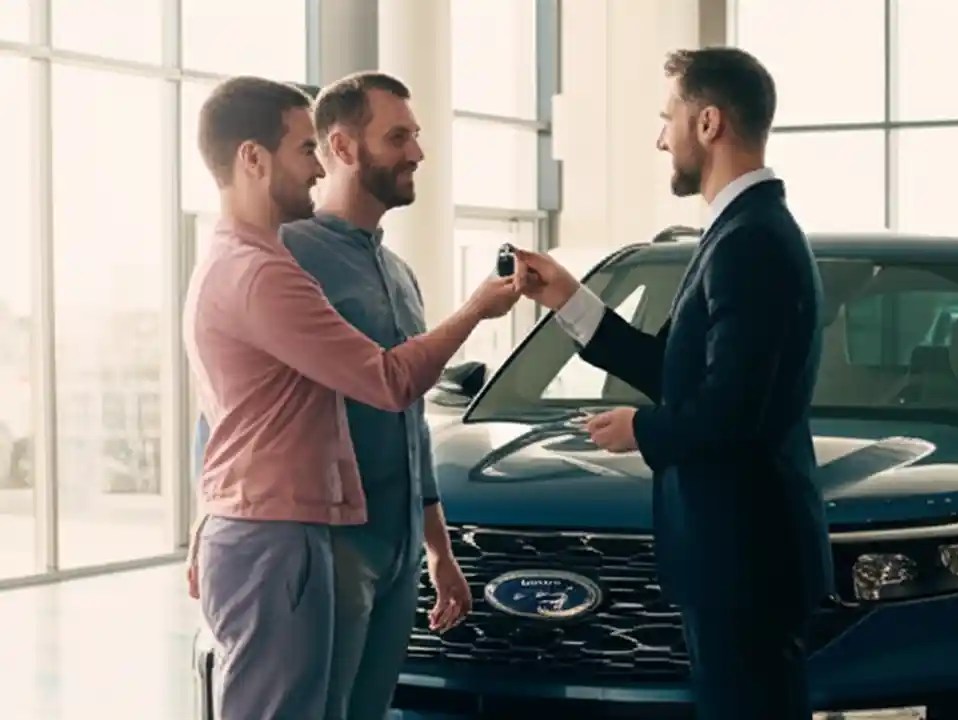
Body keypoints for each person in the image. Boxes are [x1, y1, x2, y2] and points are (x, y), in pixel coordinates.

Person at [511, 47, 832, 719]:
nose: (662, 138)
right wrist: (572, 301)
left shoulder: (751, 241)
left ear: (708, 123)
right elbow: (678, 373)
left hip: (743, 558)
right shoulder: (742, 232)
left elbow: (731, 412)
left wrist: (641, 430)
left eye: (669, 118)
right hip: (734, 557)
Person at [184, 75, 518, 720]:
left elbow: (409, 418)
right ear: (342, 146)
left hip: (385, 542)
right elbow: (229, 407)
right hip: (313, 537)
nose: (417, 152)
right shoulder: (282, 258)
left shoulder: (396, 272)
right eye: (399, 136)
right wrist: (214, 518)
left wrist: (436, 548)